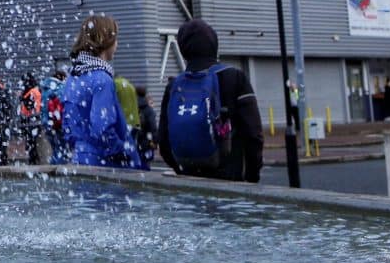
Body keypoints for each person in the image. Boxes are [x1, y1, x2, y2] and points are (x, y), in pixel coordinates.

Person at [158, 19, 265, 183]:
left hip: (190, 180)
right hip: (231, 179)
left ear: (183, 49)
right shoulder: (235, 77)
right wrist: (252, 176)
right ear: (214, 44)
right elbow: (253, 134)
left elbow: (164, 141)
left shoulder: (174, 86)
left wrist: (180, 170)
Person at [58, 15, 146, 169]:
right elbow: (102, 129)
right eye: (116, 39)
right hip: (105, 162)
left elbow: (67, 124)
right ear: (106, 41)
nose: (117, 45)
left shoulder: (74, 76)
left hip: (81, 157)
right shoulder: (102, 79)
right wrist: (124, 150)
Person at [134, 84, 159, 163]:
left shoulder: (133, 107)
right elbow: (153, 126)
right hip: (146, 141)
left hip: (134, 140)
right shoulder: (149, 110)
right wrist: (155, 141)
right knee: (145, 163)